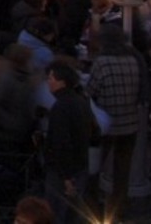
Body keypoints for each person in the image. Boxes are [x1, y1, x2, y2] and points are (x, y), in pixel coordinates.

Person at [89, 24, 148, 221]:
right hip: (129, 122)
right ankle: (118, 206)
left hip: (105, 124)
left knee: (96, 165)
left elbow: (92, 90)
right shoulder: (134, 60)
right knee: (122, 169)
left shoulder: (102, 62)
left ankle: (92, 204)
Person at [43, 61, 98, 215]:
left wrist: (66, 177)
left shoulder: (61, 107)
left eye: (51, 78)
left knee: (56, 213)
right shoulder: (81, 101)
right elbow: (95, 133)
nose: (48, 81)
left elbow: (61, 143)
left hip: (62, 172)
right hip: (80, 165)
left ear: (61, 81)